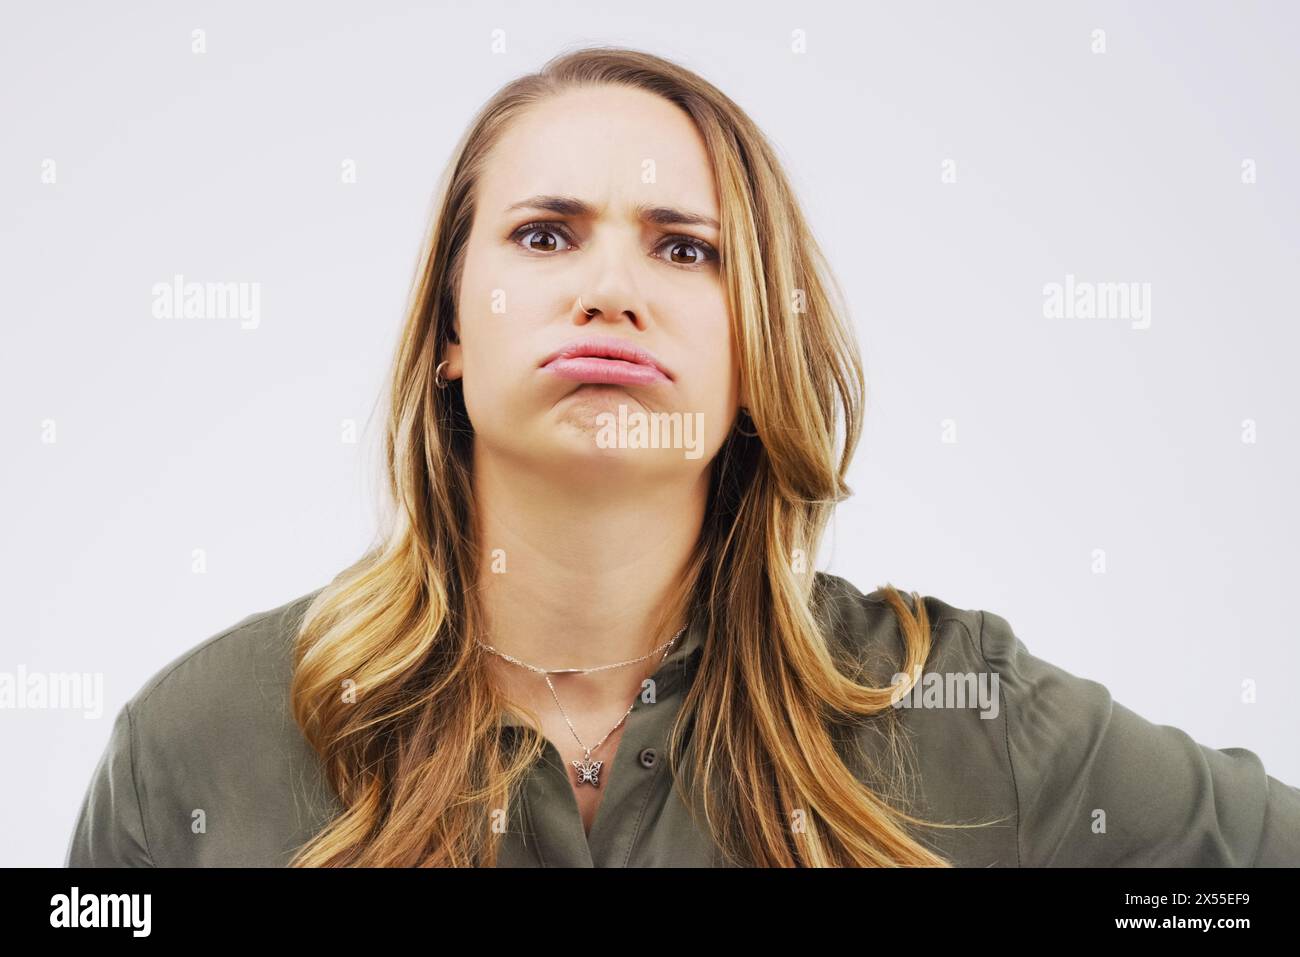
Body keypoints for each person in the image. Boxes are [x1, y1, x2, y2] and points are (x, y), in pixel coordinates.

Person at [65, 45, 1300, 868]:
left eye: (685, 249)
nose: (609, 290)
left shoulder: (953, 709)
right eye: (545, 236)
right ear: (450, 329)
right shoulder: (200, 740)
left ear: (757, 348)